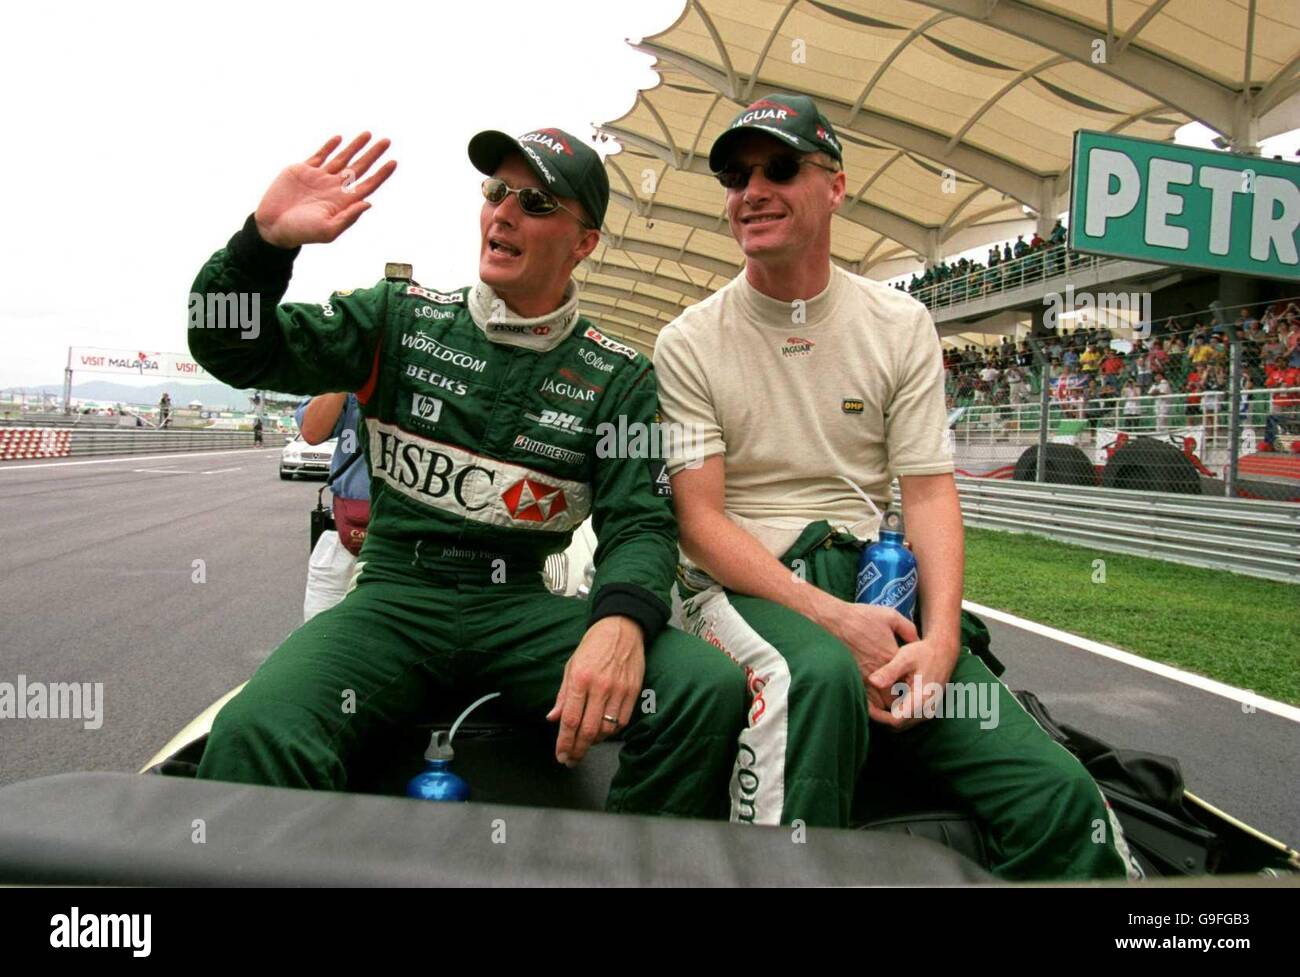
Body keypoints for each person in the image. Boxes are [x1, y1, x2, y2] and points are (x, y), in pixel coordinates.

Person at [185, 127, 747, 815]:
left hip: (520, 609)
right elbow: (230, 350)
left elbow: (640, 522)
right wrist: (263, 243)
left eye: (535, 202)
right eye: (495, 192)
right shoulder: (399, 318)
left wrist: (620, 623)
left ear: (584, 243)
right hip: (393, 595)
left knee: (704, 688)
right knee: (254, 730)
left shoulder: (619, 376)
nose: (503, 212)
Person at [652, 94, 1137, 880]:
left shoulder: (900, 323)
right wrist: (831, 619)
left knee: (1061, 802)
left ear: (836, 185)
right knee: (809, 681)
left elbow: (929, 494)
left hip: (879, 587)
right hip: (747, 591)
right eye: (736, 176)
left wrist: (942, 641)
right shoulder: (686, 340)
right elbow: (700, 522)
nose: (752, 191)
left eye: (779, 168)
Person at [295, 393, 370, 621]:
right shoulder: (350, 384)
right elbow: (312, 431)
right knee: (318, 638)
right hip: (346, 539)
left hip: (416, 549)